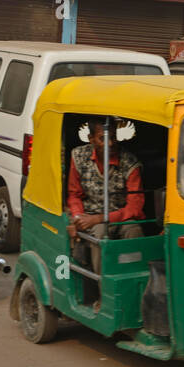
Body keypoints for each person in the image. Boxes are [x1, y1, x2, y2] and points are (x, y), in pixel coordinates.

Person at [66, 119, 144, 309]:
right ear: (91, 139)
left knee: (134, 233)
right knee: (100, 236)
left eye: (113, 138)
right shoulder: (78, 156)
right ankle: (106, 298)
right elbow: (74, 195)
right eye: (103, 139)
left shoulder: (130, 163)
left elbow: (135, 207)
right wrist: (77, 218)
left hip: (121, 216)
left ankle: (136, 295)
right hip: (91, 217)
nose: (110, 143)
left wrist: (100, 218)